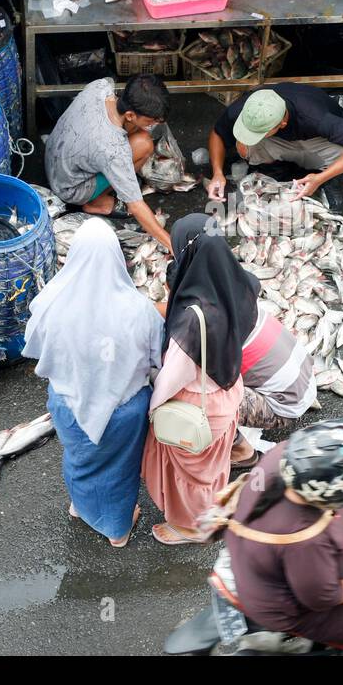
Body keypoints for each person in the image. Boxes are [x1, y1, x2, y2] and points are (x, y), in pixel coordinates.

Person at [22, 218, 161, 547]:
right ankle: (117, 531)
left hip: (68, 403)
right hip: (123, 411)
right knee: (119, 469)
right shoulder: (140, 310)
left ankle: (81, 507)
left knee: (79, 459)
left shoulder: (50, 303)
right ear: (116, 257)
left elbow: (35, 346)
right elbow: (155, 357)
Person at [223, 419, 343, 656]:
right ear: (333, 488)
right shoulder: (303, 539)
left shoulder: (288, 457)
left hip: (270, 561)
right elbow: (321, 597)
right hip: (290, 606)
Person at [162, 215, 316, 462]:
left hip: (284, 406)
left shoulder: (204, 321)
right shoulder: (234, 283)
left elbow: (179, 374)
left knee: (193, 395)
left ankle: (242, 450)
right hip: (304, 380)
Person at [143, 216, 255, 545]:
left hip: (199, 405)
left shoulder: (193, 319)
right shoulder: (241, 283)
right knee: (214, 461)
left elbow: (170, 380)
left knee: (189, 474)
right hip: (229, 393)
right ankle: (214, 503)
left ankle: (190, 528)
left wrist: (152, 410)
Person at [44, 74, 172, 249]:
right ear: (129, 114)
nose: (153, 124)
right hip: (70, 188)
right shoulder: (112, 147)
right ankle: (95, 202)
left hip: (54, 154)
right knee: (144, 144)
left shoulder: (100, 87)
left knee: (138, 133)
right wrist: (171, 244)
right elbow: (135, 205)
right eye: (150, 120)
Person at [206, 83, 343, 211]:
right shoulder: (248, 109)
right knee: (244, 147)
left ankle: (330, 178)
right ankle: (278, 169)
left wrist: (320, 178)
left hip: (318, 138)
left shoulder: (315, 117)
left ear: (282, 122)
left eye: (259, 132)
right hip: (283, 141)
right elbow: (217, 134)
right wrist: (218, 173)